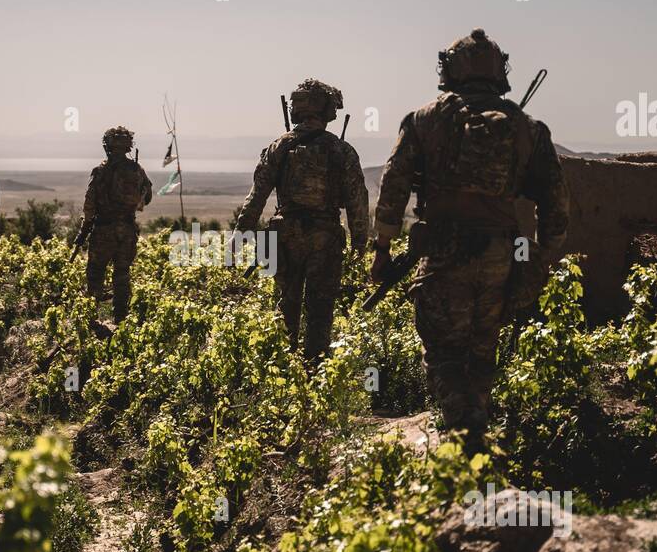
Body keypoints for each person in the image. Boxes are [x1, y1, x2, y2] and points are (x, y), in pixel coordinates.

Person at [372, 28, 569, 445]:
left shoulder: (423, 120)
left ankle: (464, 431)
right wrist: (544, 258)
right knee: (483, 349)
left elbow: (393, 188)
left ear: (450, 70)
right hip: (501, 254)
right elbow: (556, 201)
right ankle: (475, 431)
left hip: (444, 250)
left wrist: (382, 249)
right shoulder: (527, 127)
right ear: (499, 71)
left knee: (443, 352)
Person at [236, 79, 369, 362]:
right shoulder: (341, 150)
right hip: (325, 238)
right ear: (328, 110)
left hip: (284, 237)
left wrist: (241, 234)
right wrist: (360, 244)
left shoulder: (279, 147)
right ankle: (314, 370)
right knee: (320, 311)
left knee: (286, 306)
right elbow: (358, 201)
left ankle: (283, 368)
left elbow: (257, 196)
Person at [77, 126, 152, 322]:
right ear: (128, 146)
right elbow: (147, 197)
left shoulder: (100, 171)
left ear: (107, 146)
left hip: (103, 230)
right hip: (127, 230)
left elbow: (89, 204)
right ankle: (120, 318)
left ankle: (91, 318)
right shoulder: (137, 170)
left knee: (95, 273)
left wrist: (84, 230)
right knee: (122, 275)